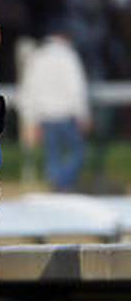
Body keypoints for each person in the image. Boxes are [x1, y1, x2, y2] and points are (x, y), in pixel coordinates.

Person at [20, 20, 90, 191]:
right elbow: (77, 87)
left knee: (53, 155)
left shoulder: (37, 56)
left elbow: (29, 90)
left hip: (45, 115)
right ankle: (63, 183)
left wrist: (30, 119)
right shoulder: (69, 55)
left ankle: (57, 183)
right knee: (78, 153)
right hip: (66, 114)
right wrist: (83, 115)